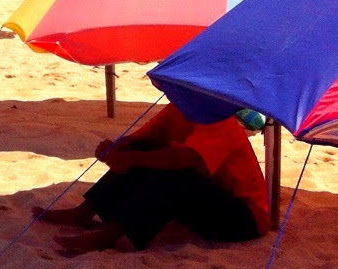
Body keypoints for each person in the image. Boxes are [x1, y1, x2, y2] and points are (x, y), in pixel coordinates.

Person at [43, 101, 269, 254]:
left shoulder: (219, 120)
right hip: (206, 199)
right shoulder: (176, 110)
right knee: (145, 151)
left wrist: (131, 158)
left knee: (176, 173)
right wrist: (115, 149)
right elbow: (140, 139)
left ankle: (110, 235)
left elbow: (186, 159)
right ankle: (84, 212)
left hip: (244, 216)